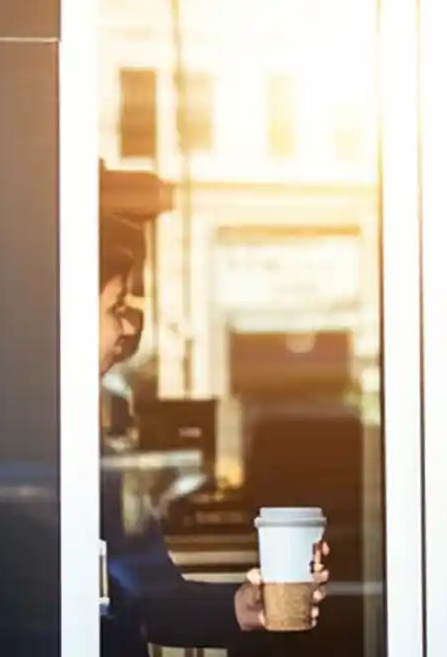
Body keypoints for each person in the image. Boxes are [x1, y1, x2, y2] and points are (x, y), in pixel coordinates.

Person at [98, 214, 330, 655]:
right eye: (115, 309)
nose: (128, 329)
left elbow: (152, 600)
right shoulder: (39, 451)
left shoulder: (97, 458)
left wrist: (244, 607)